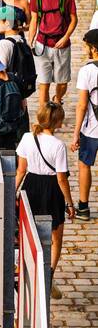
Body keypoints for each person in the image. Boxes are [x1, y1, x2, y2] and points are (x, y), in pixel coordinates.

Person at [16, 102, 74, 290]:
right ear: (57, 122)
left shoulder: (27, 137)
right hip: (51, 189)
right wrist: (70, 203)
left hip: (31, 185)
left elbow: (21, 170)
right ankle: (49, 273)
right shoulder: (58, 145)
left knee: (29, 230)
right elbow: (61, 179)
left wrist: (12, 194)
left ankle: (29, 267)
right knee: (56, 236)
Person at [28, 0, 78, 106]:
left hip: (61, 45)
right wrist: (31, 39)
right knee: (44, 83)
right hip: (42, 44)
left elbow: (74, 19)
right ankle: (45, 119)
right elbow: (34, 20)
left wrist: (65, 37)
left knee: (62, 82)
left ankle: (57, 99)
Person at [70, 27, 98, 221]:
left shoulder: (87, 71)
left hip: (92, 128)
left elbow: (81, 105)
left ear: (94, 49)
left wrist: (75, 132)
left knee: (84, 166)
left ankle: (83, 207)